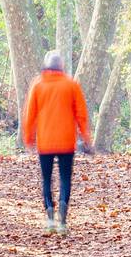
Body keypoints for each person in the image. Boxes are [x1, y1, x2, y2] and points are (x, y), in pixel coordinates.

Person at [22, 51, 94, 235]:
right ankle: (63, 221)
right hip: (66, 142)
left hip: (45, 142)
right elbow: (81, 114)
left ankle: (50, 220)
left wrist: (28, 138)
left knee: (46, 179)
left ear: (46, 66)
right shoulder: (71, 85)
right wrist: (86, 137)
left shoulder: (37, 85)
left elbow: (30, 114)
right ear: (61, 66)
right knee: (64, 179)